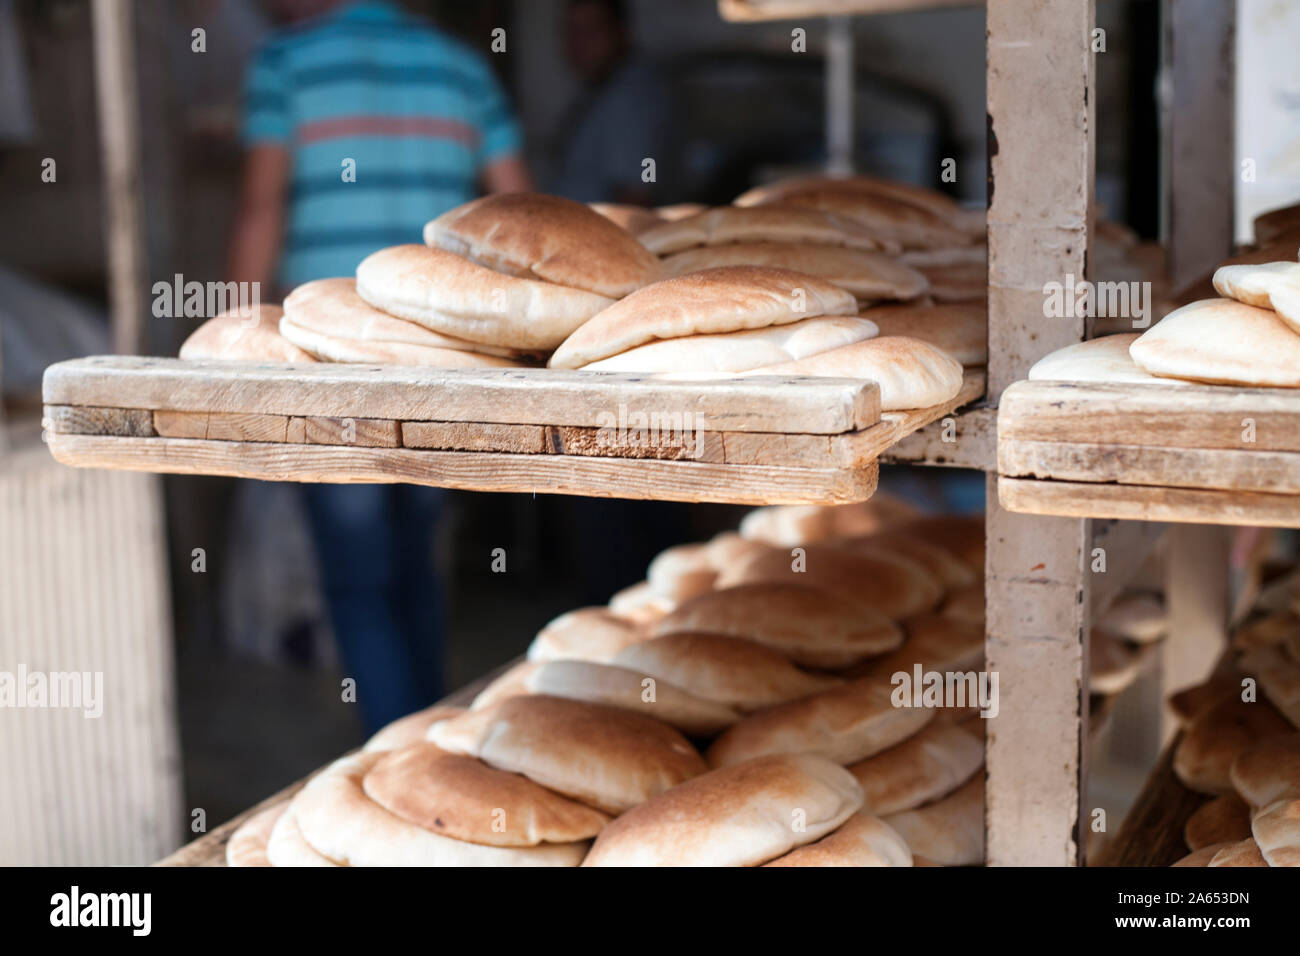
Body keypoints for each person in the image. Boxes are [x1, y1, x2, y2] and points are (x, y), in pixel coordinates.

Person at [226, 0, 530, 734]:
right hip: (444, 362)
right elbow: (519, 210)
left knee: (359, 580)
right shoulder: (460, 67)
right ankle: (433, 743)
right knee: (416, 564)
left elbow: (261, 209)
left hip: (334, 364)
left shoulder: (286, 63)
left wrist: (234, 335)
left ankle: (403, 763)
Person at [552, 0, 671, 205]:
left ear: (620, 33)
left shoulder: (630, 100)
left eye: (591, 30)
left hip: (593, 234)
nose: (580, 43)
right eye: (573, 31)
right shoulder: (601, 90)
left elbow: (635, 199)